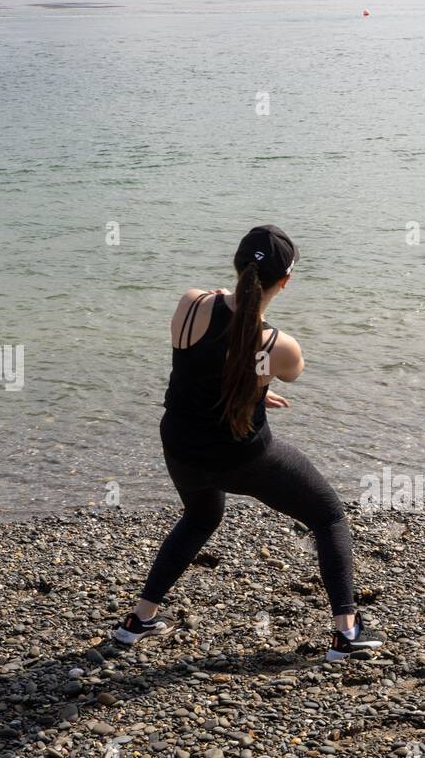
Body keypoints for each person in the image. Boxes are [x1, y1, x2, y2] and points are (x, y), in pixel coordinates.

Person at [113, 224, 381, 661]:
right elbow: (287, 370)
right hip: (242, 457)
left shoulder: (191, 302)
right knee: (329, 517)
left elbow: (200, 364)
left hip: (180, 444)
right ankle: (346, 634)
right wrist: (257, 384)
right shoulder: (278, 344)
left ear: (236, 264)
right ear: (285, 281)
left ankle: (137, 621)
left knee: (200, 518)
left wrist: (252, 391)